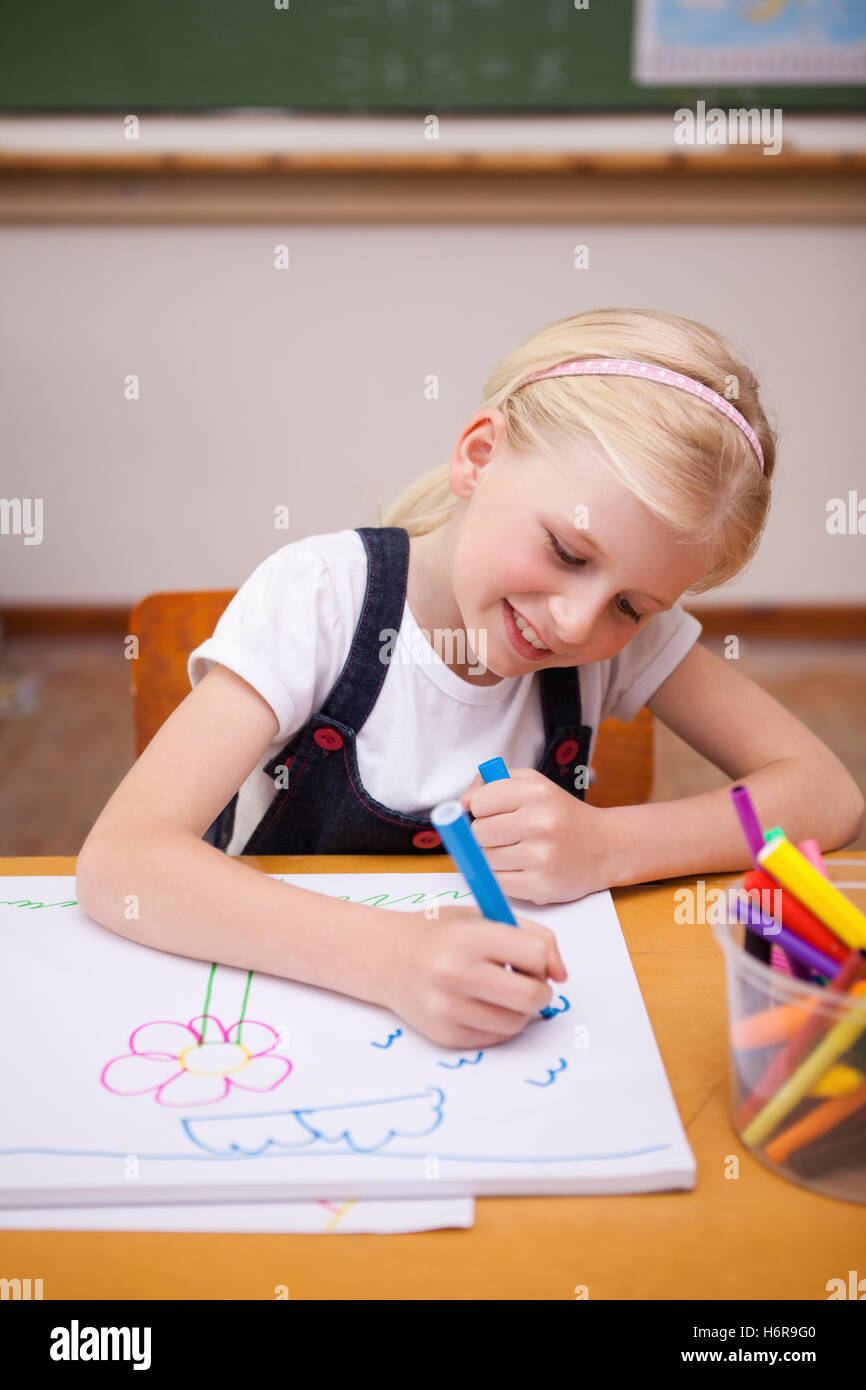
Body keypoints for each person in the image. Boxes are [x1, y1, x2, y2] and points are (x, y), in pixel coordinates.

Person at [76, 307, 864, 1050]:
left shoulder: (619, 640)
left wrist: (608, 845)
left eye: (630, 604)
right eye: (567, 552)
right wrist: (395, 960)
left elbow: (828, 798)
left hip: (498, 1033)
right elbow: (123, 862)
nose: (576, 626)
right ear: (479, 457)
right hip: (271, 1016)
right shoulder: (318, 599)